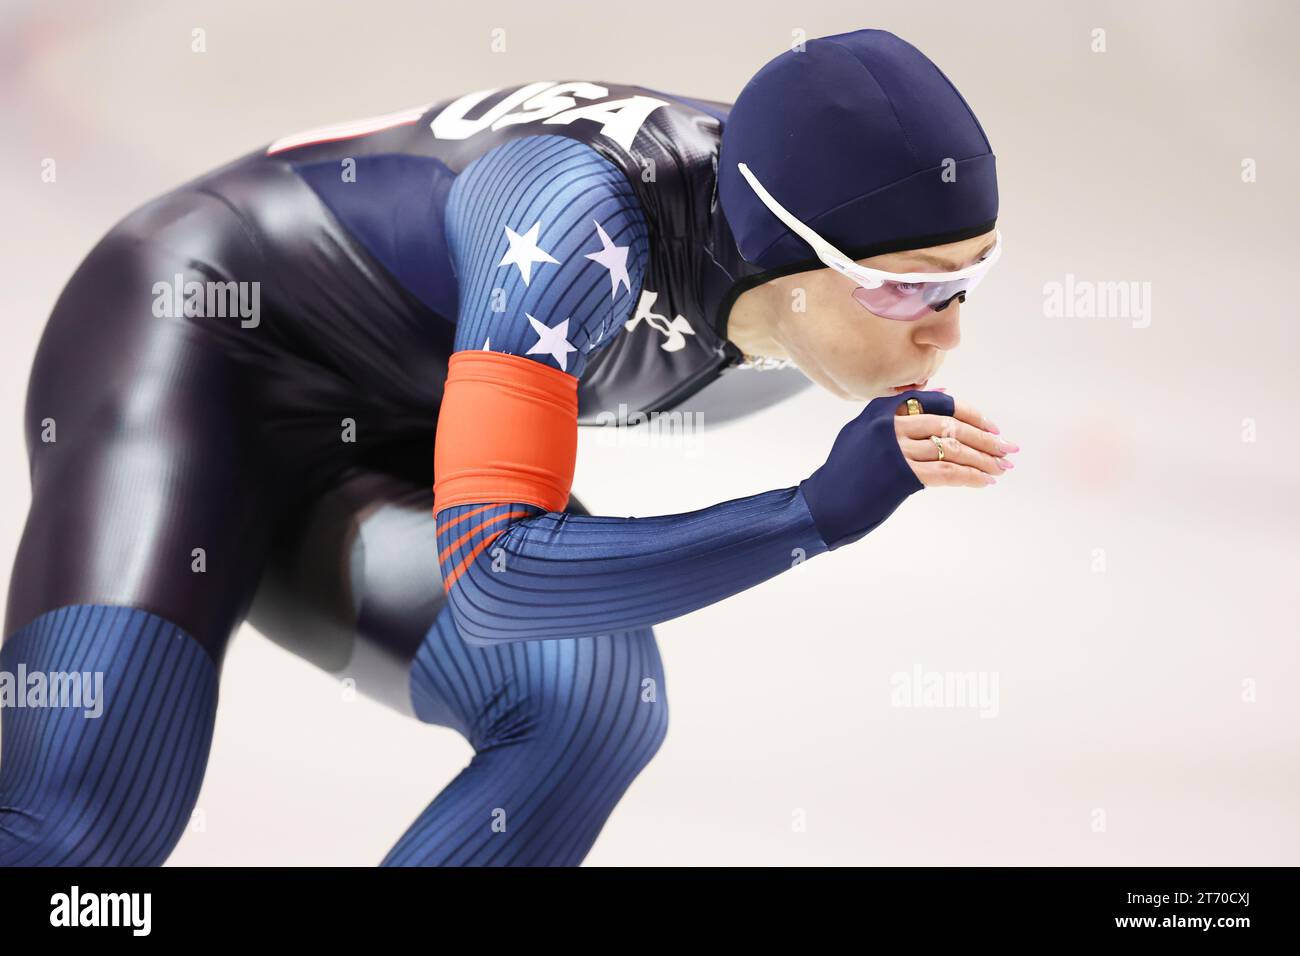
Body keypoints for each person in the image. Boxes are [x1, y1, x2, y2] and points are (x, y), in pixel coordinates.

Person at [0, 28, 1016, 866]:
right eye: (908, 287)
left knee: (588, 699)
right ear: (782, 250)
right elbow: (494, 576)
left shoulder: (817, 242)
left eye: (971, 278)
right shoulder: (578, 222)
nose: (947, 332)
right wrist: (810, 513)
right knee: (75, 841)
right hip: (190, 346)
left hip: (396, 432)